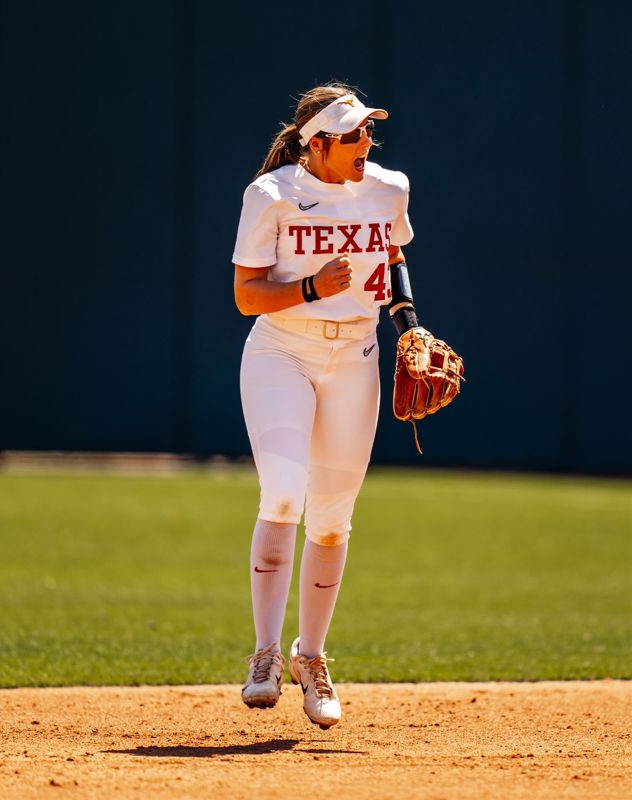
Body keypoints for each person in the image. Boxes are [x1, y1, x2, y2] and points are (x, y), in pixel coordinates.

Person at [232, 82, 418, 730]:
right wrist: (311, 285)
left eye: (368, 131)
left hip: (356, 358)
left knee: (334, 519)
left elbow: (391, 256)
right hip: (282, 351)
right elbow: (247, 296)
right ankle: (264, 654)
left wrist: (409, 324)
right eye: (353, 135)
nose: (366, 143)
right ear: (317, 143)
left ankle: (311, 659)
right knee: (283, 494)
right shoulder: (273, 195)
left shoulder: (388, 187)